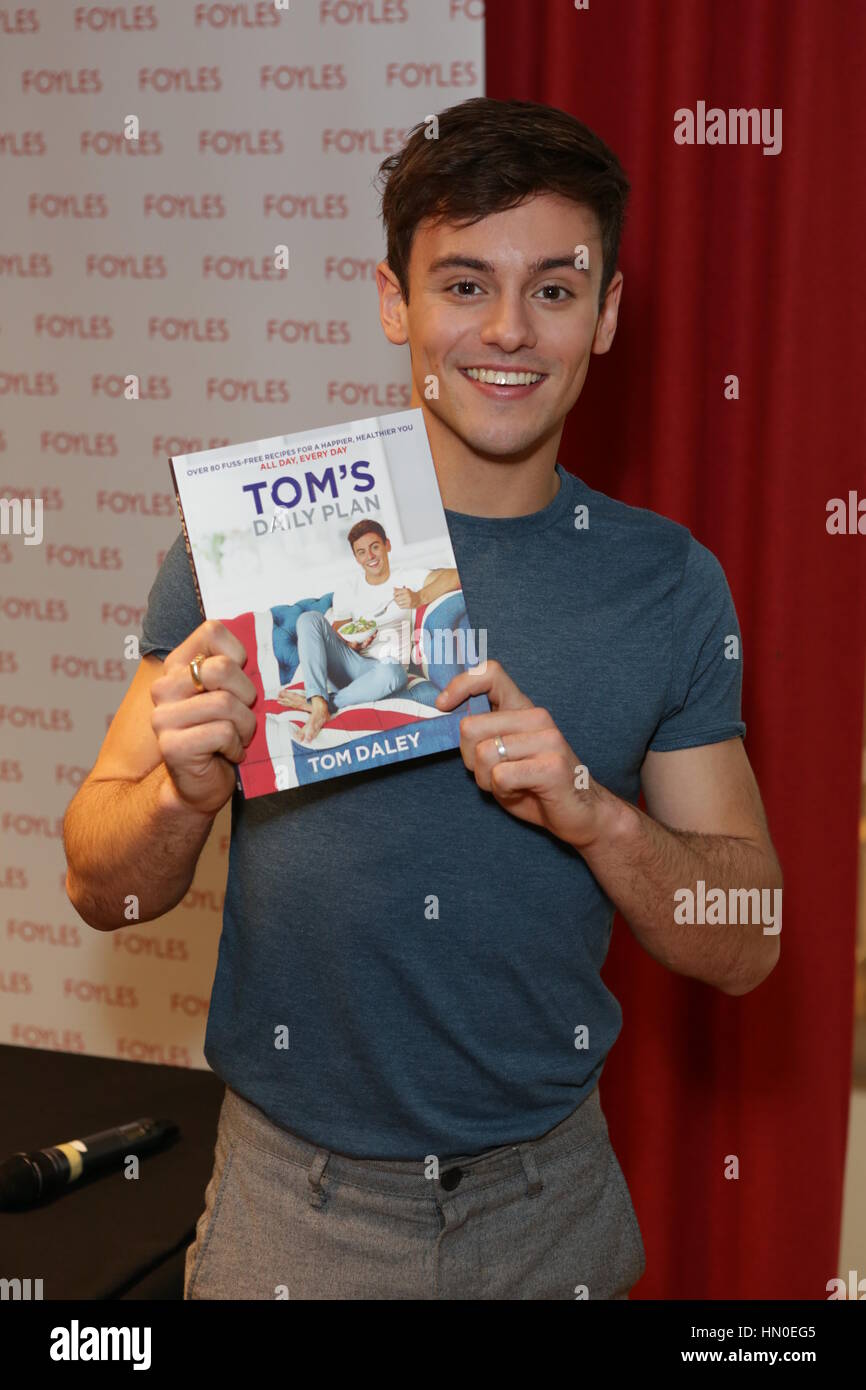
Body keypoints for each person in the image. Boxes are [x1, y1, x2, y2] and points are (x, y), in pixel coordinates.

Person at [63, 96, 782, 1301]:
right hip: (292, 1214)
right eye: (461, 285)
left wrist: (593, 813)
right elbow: (99, 884)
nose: (505, 330)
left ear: (604, 315)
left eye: (553, 290)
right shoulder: (250, 551)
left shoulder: (664, 581)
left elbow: (748, 941)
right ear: (393, 300)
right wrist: (183, 796)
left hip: (549, 1214)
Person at [276, 519, 460, 743]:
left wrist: (418, 597)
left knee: (392, 668)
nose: (370, 557)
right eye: (361, 552)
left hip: (385, 673)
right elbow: (337, 630)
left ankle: (325, 705)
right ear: (356, 558)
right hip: (350, 663)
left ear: (387, 545)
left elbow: (456, 575)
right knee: (308, 618)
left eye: (375, 547)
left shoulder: (408, 577)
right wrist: (351, 643)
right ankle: (317, 699)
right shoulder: (348, 588)